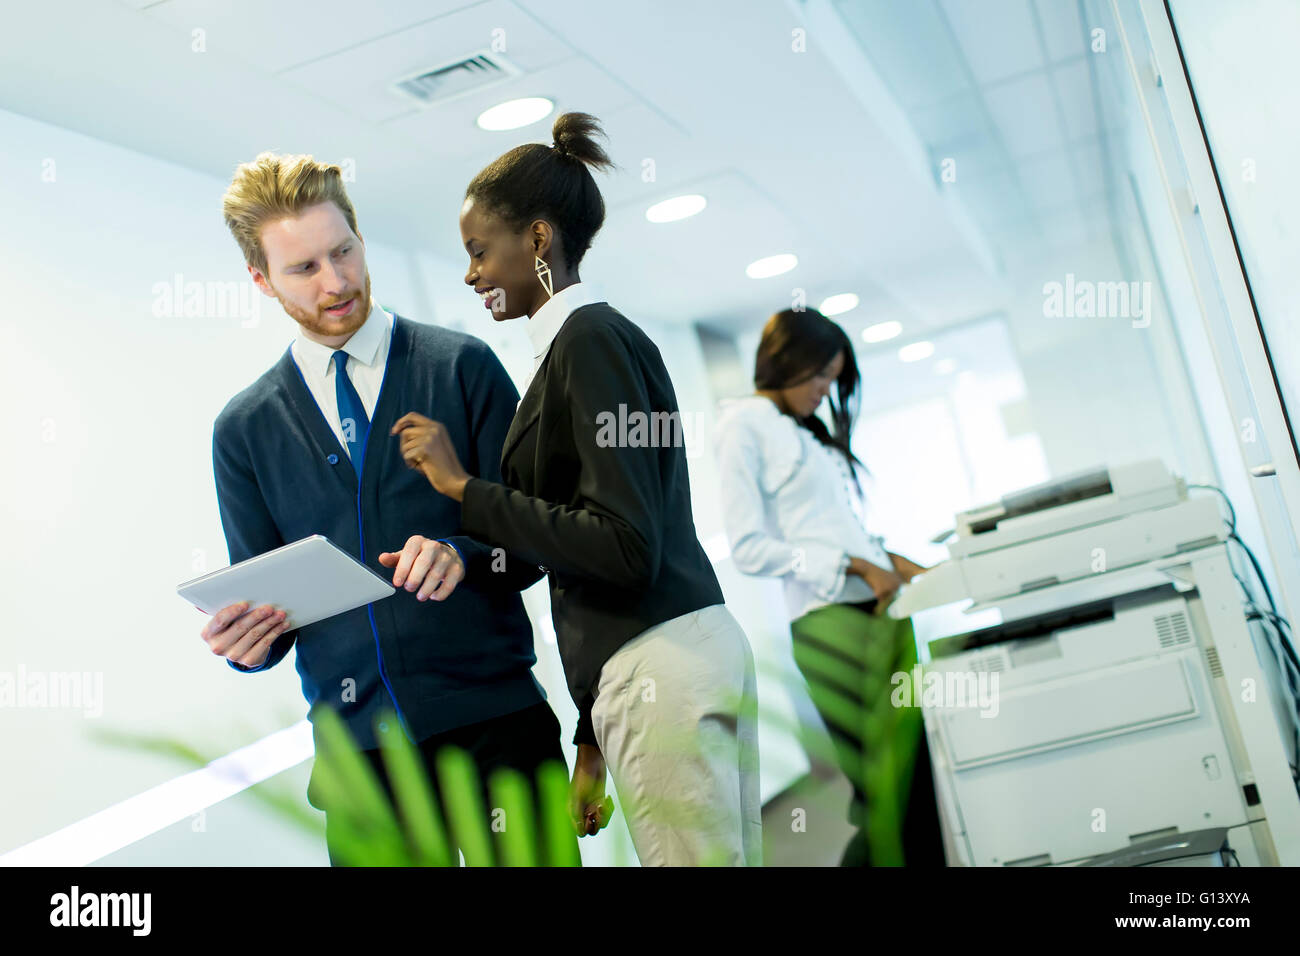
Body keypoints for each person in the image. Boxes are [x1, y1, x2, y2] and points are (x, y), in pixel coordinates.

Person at [391, 112, 761, 866]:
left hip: (660, 664)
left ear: (536, 239)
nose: (471, 275)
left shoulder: (588, 343)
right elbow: (605, 536)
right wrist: (590, 736)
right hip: (677, 655)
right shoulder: (596, 345)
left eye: (478, 251)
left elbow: (622, 547)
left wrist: (463, 487)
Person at [200, 151, 565, 865]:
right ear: (260, 280)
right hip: (360, 765)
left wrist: (461, 555)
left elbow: (535, 542)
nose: (336, 282)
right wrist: (251, 642)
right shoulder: (243, 430)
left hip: (497, 733)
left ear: (361, 238)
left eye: (344, 251)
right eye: (304, 268)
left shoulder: (461, 368)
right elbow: (266, 601)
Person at [714, 307, 945, 866]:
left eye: (833, 379)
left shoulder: (805, 432)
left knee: (917, 780)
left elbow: (847, 532)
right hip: (832, 625)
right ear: (785, 361)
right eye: (820, 374)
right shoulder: (743, 424)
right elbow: (748, 548)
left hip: (883, 617)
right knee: (883, 788)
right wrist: (856, 566)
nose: (826, 390)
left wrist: (903, 565)